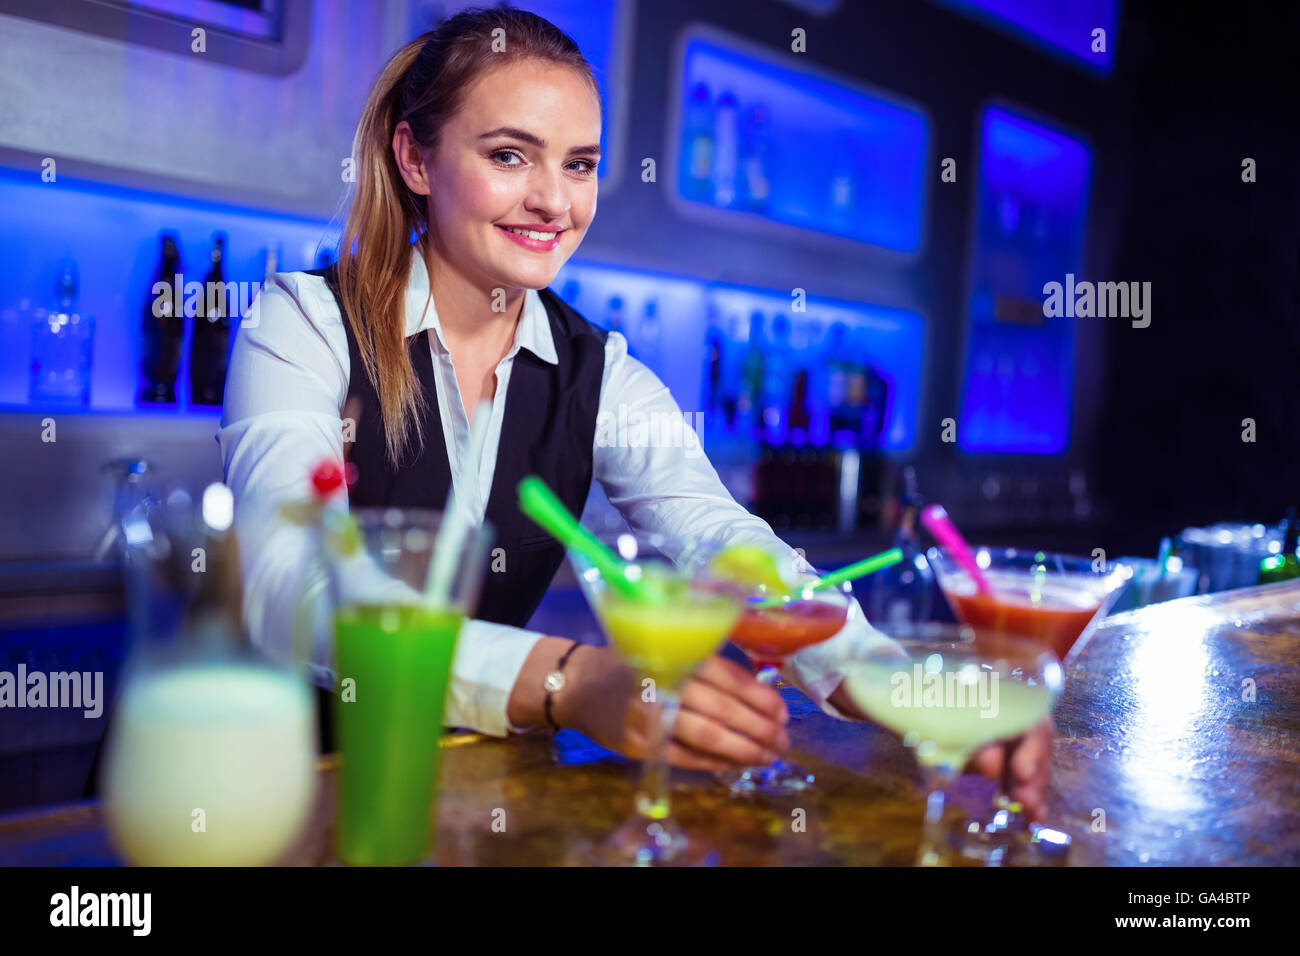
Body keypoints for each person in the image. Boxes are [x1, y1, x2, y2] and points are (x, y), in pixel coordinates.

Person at [217, 8, 1051, 814]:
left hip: (453, 785)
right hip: (264, 782)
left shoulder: (598, 372)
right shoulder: (306, 324)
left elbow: (726, 545)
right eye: (511, 155)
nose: (554, 200)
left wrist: (908, 689)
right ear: (414, 158)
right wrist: (570, 681)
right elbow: (287, 580)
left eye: (579, 164)